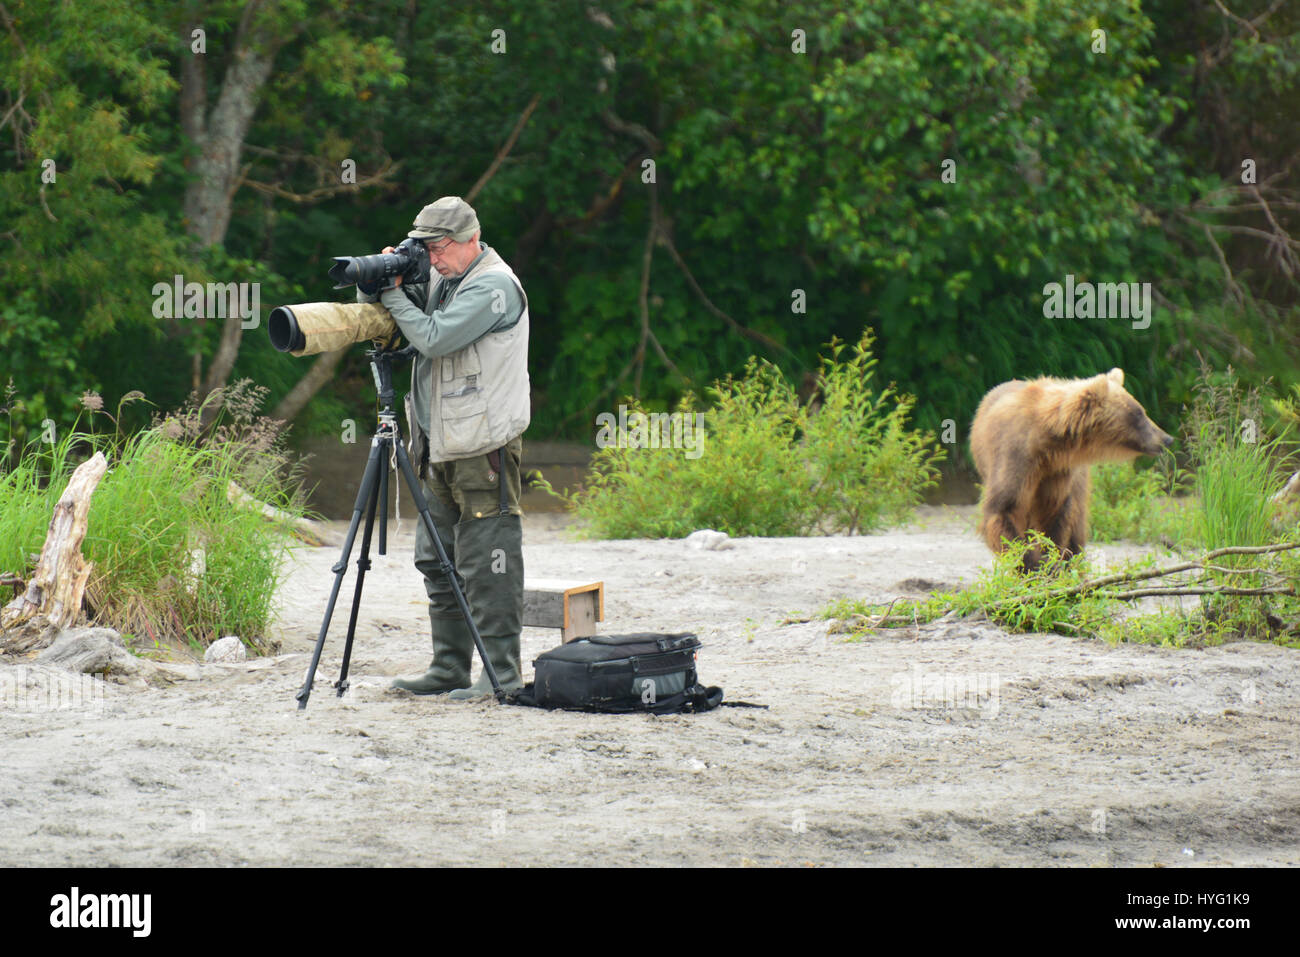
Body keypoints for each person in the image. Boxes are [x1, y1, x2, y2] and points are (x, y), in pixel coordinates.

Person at [358, 196, 529, 700]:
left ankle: (501, 675)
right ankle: (449, 667)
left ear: (470, 239)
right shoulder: (445, 276)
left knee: (487, 561)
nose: (433, 260)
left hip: (483, 446)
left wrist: (394, 294)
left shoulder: (494, 286)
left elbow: (433, 337)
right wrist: (385, 281)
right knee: (436, 558)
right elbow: (399, 325)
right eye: (426, 250)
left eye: (439, 249)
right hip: (435, 442)